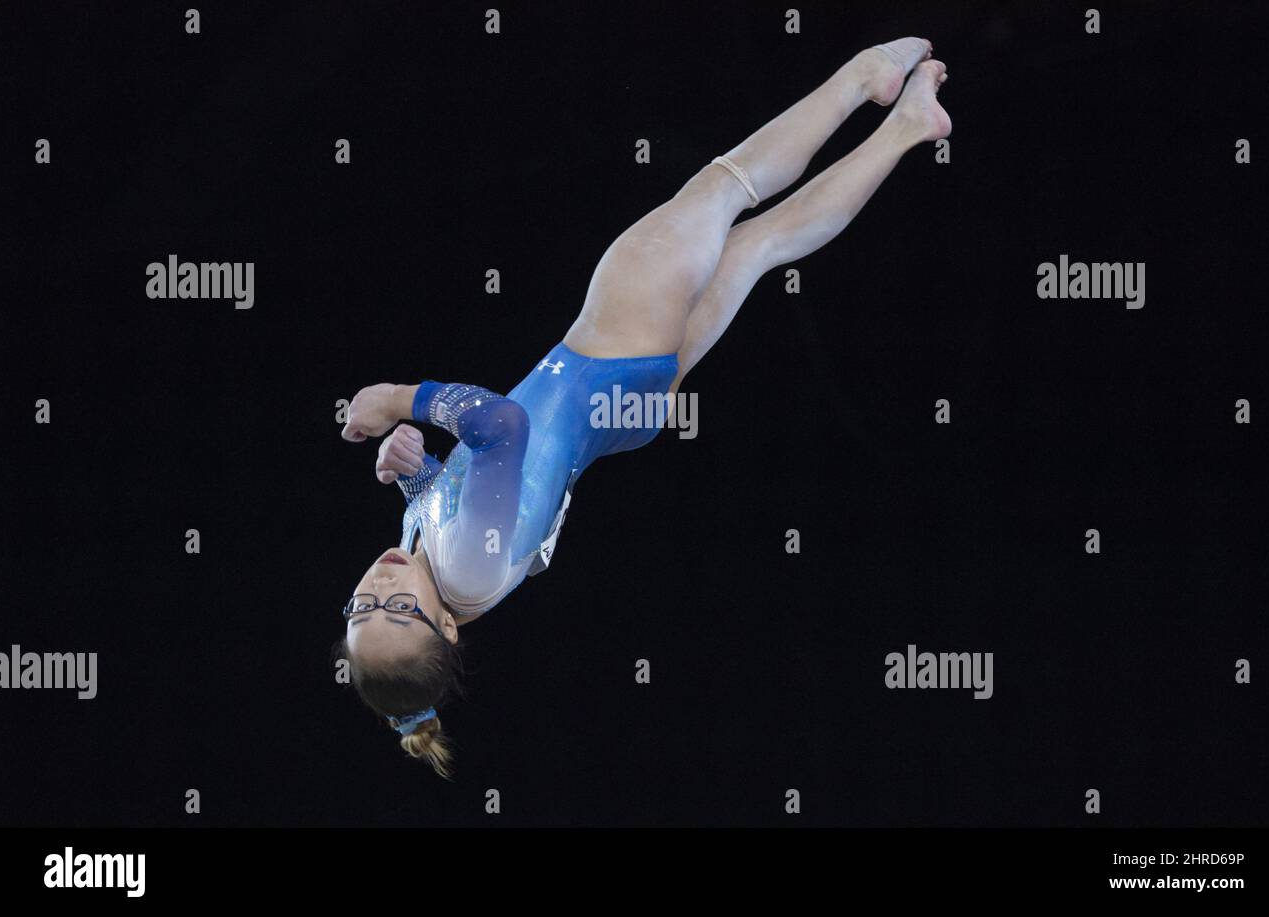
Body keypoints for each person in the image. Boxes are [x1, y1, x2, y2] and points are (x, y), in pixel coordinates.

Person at [336, 39, 951, 777]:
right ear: (446, 629)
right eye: (397, 613)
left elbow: (470, 499)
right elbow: (504, 426)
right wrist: (398, 398)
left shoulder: (447, 571)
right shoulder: (464, 572)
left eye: (361, 611)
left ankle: (912, 124)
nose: (378, 590)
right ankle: (866, 78)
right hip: (605, 357)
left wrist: (413, 470)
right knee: (726, 184)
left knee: (762, 245)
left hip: (621, 405)